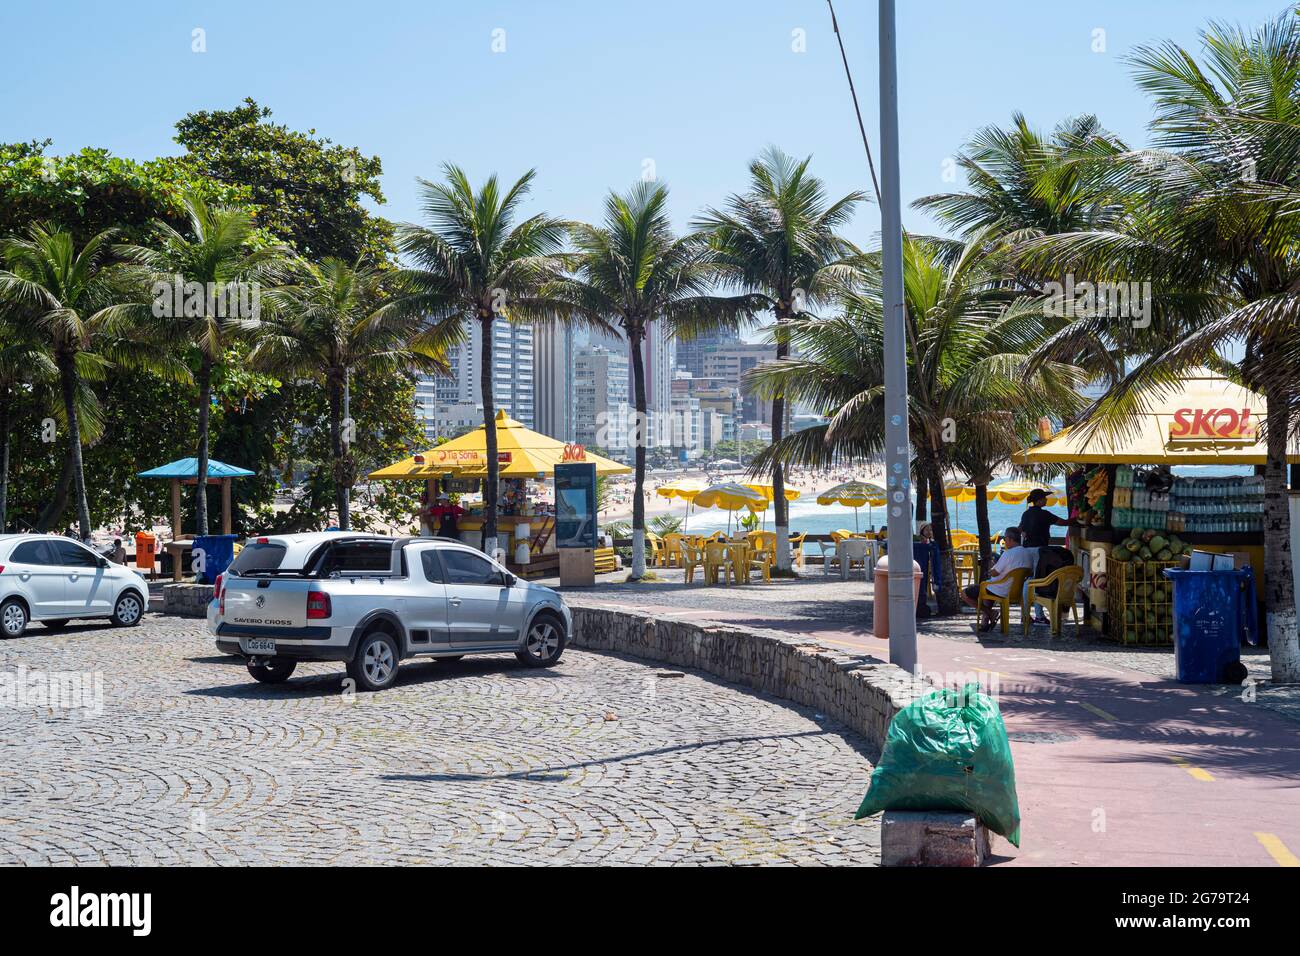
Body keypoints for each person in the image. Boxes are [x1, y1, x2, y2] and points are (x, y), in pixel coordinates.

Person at [961, 526, 1037, 632]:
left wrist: (991, 568)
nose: (1004, 541)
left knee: (964, 594)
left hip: (1002, 589)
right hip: (1019, 591)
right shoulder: (1028, 554)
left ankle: (990, 613)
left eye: (1005, 538)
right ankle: (985, 623)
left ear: (1010, 539)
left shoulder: (1008, 553)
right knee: (987, 590)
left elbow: (995, 573)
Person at [1018, 489, 1069, 624]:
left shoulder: (1026, 513)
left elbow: (1020, 528)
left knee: (1028, 581)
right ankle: (1038, 616)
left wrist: (1024, 532)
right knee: (1036, 582)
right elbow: (1062, 522)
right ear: (1039, 500)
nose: (1046, 500)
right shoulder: (1044, 514)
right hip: (1039, 551)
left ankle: (1025, 615)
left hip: (1026, 549)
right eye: (1045, 498)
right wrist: (1076, 520)